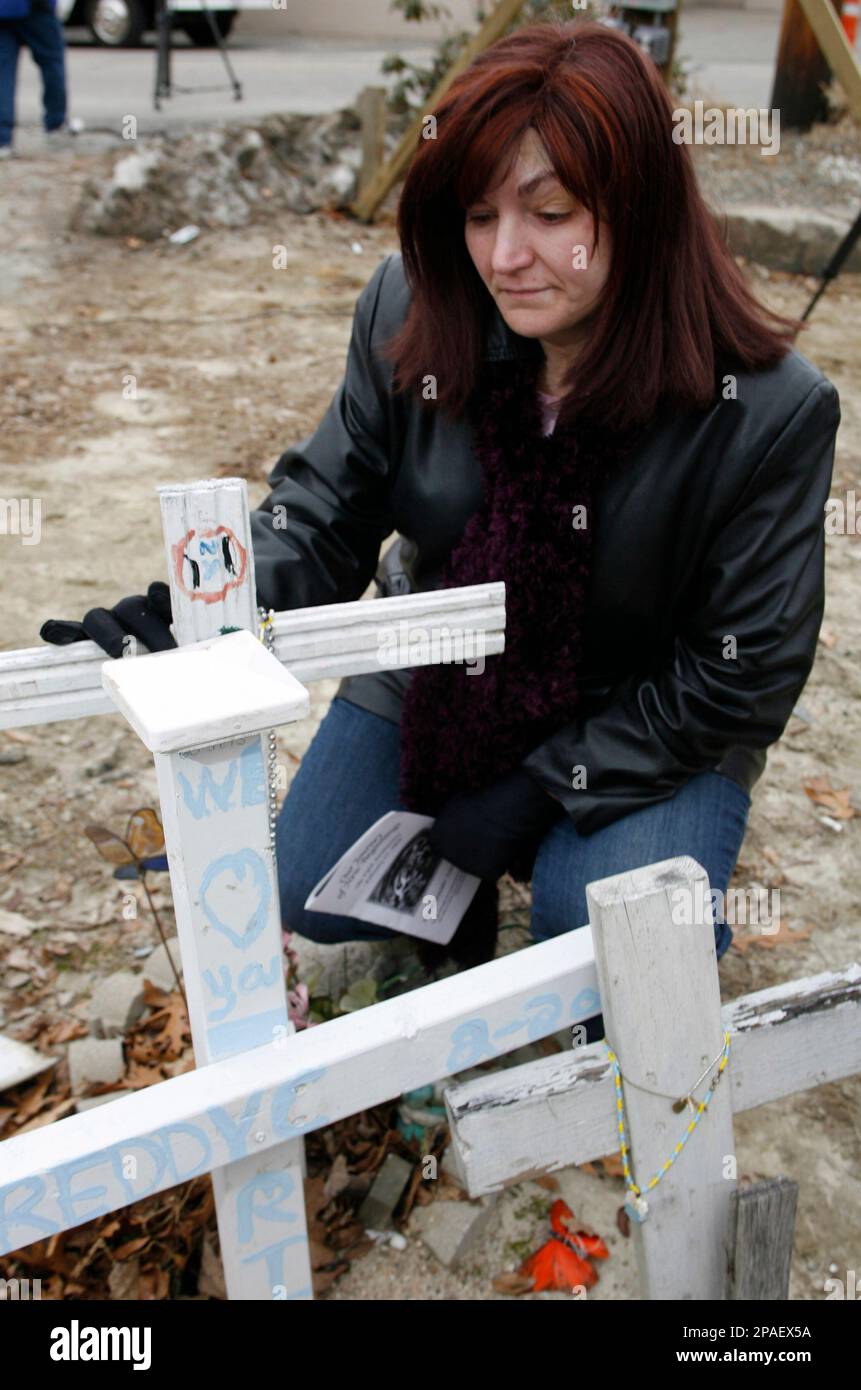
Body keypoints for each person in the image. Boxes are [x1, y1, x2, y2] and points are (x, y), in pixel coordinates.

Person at [42, 22, 841, 1015]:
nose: (507, 256)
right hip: (439, 663)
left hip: (643, 702)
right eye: (477, 213)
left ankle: (619, 845)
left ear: (640, 208)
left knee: (603, 932)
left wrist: (545, 788)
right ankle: (464, 885)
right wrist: (206, 600)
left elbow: (745, 670)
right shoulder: (413, 311)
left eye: (551, 213)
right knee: (308, 881)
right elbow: (323, 512)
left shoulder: (764, 408)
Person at [0, 0, 70, 157]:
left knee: (3, 72)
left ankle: (2, 140)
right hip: (36, 7)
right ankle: (55, 123)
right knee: (52, 62)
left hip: (3, 10)